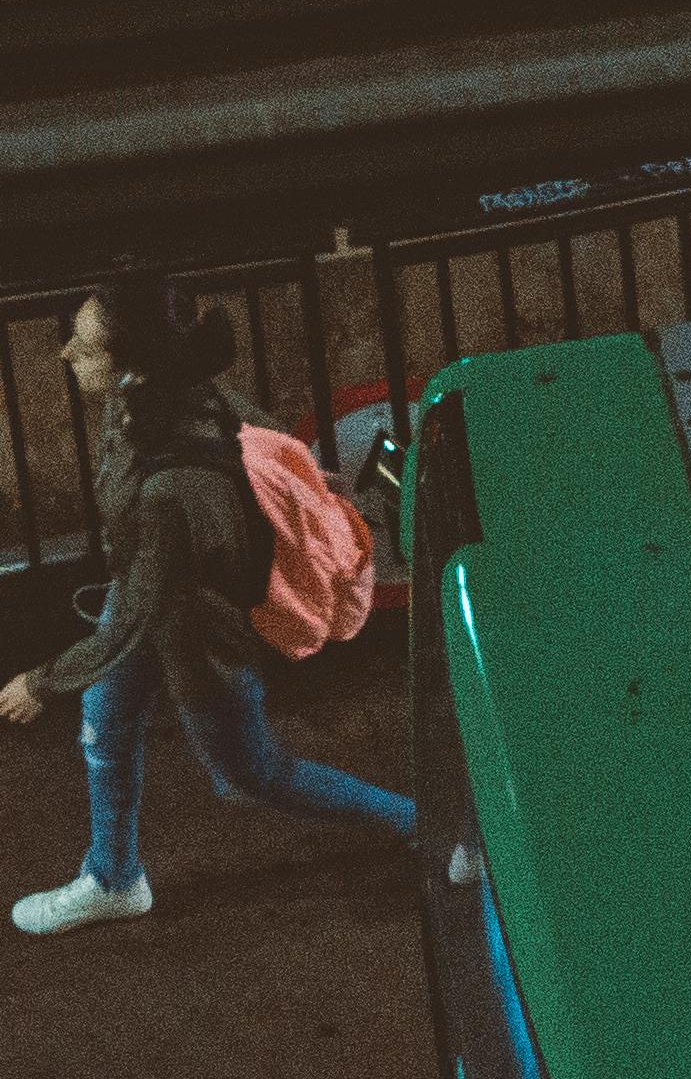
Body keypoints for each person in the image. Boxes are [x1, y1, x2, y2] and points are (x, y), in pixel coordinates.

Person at [6, 271, 413, 933]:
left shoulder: (172, 488)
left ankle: (422, 822)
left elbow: (135, 618)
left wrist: (40, 681)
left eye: (83, 345)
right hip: (156, 594)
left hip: (198, 636)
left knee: (253, 774)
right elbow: (267, 436)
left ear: (132, 364)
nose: (66, 353)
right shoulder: (162, 394)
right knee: (106, 721)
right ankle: (113, 877)